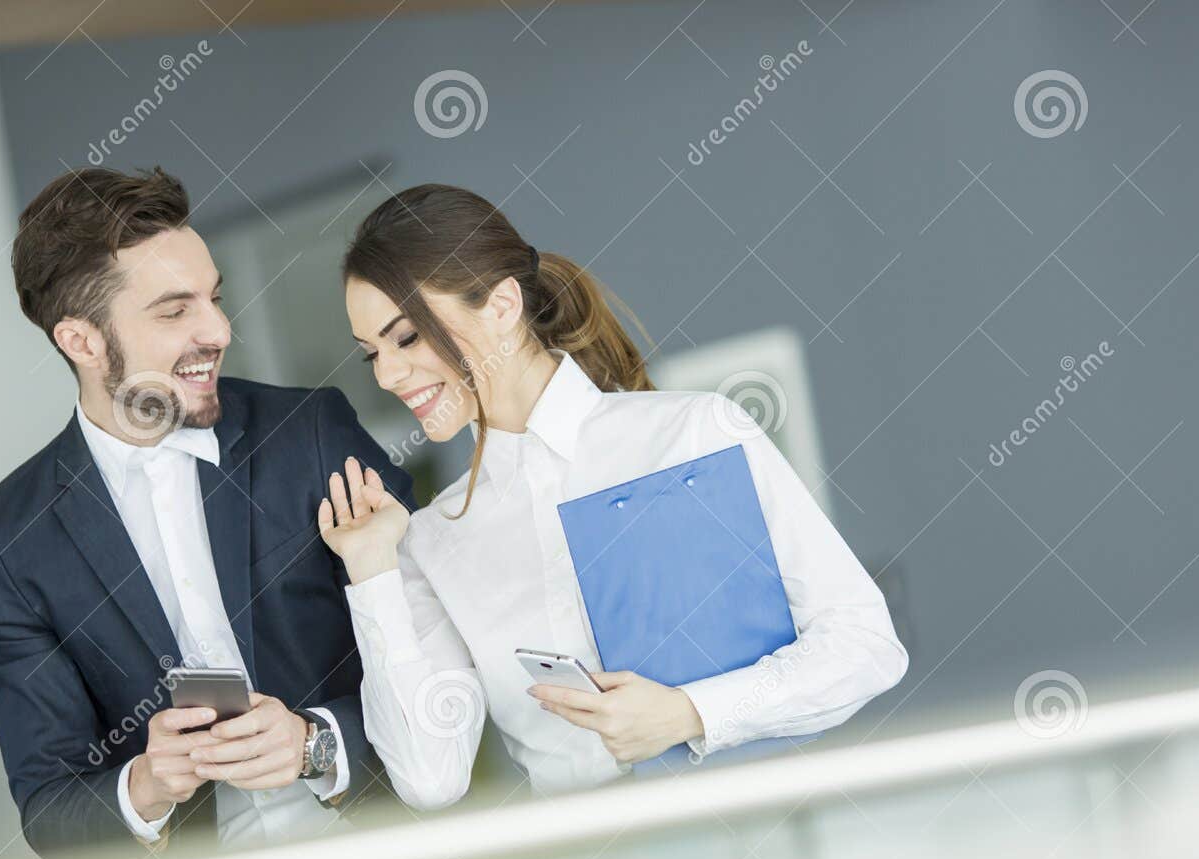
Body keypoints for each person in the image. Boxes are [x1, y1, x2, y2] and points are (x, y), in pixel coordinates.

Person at [317, 184, 908, 809]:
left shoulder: (694, 433)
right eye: (371, 355)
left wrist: (688, 715)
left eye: (406, 338)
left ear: (502, 306)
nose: (386, 374)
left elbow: (865, 645)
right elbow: (428, 779)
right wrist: (371, 571)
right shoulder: (435, 537)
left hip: (771, 843)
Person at [0, 167, 413, 859]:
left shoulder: (311, 432)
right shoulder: (8, 539)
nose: (219, 330)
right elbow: (52, 808)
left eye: (215, 298)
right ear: (82, 341)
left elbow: (441, 649)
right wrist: (145, 785)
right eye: (175, 311)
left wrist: (316, 742)